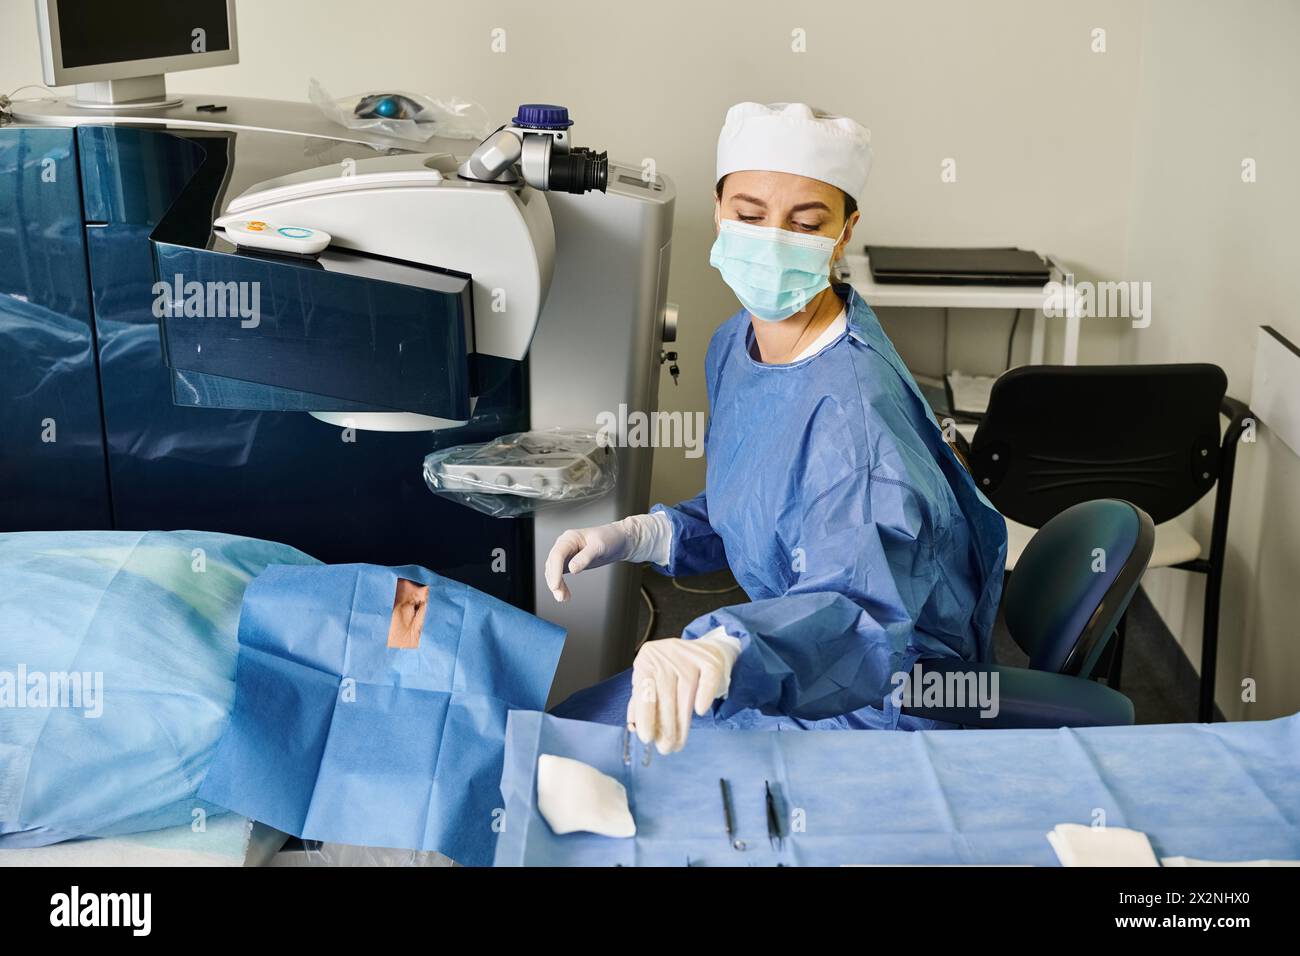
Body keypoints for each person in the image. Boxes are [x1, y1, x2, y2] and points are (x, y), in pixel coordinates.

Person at [546, 102, 1007, 754]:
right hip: (783, 640)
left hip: (879, 688)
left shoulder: (855, 425)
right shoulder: (737, 345)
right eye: (751, 215)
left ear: (845, 231)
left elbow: (862, 615)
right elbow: (769, 500)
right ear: (717, 210)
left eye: (806, 222)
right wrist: (642, 534)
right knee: (582, 734)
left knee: (610, 755)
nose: (771, 240)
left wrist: (725, 643)